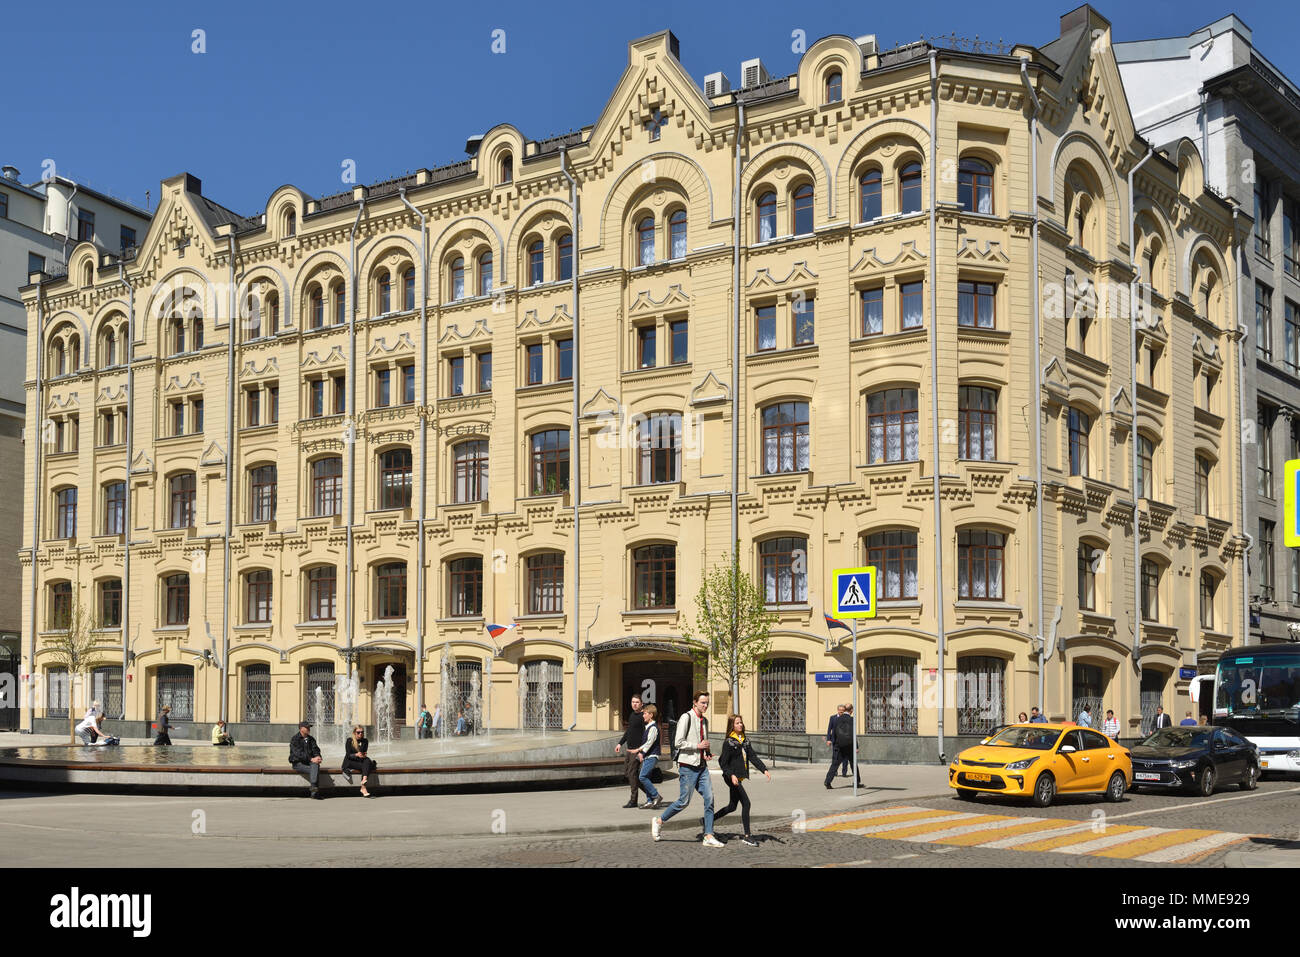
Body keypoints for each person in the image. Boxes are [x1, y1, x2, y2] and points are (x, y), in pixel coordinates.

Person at [651, 691, 722, 847]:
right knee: (684, 801)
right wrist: (697, 746)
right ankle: (659, 820)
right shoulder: (686, 717)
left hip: (701, 766)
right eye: (703, 702)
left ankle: (708, 835)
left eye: (707, 702)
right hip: (687, 766)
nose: (706, 705)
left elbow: (703, 742)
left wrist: (706, 753)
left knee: (709, 799)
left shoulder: (705, 721)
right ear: (695, 702)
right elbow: (678, 742)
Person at [715, 714, 771, 847]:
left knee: (732, 807)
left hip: (738, 777)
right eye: (737, 723)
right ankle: (747, 836)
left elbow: (752, 756)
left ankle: (707, 820)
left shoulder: (745, 740)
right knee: (746, 803)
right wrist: (731, 775)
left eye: (741, 722)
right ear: (732, 726)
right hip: (731, 778)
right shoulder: (729, 742)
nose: (740, 725)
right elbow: (723, 763)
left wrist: (764, 769)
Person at [614, 694, 647, 808]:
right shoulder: (632, 715)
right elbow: (628, 732)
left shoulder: (643, 716)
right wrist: (620, 743)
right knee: (629, 774)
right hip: (629, 750)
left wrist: (641, 752)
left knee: (632, 774)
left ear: (642, 703)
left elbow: (645, 736)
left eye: (637, 702)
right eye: (633, 702)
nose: (634, 704)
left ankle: (633, 801)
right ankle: (652, 793)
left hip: (636, 751)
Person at [826, 703, 862, 788]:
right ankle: (857, 782)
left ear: (845, 709)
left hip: (839, 745)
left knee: (835, 764)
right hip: (849, 746)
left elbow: (834, 732)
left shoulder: (837, 719)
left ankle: (827, 781)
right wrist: (856, 746)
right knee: (853, 764)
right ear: (851, 710)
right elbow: (853, 734)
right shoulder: (852, 719)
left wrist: (834, 744)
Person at [636, 704, 663, 809]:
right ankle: (649, 801)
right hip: (648, 756)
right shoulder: (648, 726)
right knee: (646, 777)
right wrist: (638, 749)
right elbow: (646, 743)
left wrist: (641, 752)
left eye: (645, 713)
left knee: (642, 777)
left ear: (651, 715)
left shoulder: (653, 728)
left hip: (652, 756)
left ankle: (656, 795)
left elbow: (650, 742)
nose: (643, 716)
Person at [289, 720, 324, 799]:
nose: (309, 729)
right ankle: (315, 792)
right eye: (307, 727)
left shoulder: (311, 739)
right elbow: (298, 754)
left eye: (309, 727)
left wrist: (318, 757)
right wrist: (311, 759)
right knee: (315, 768)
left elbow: (316, 750)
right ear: (301, 728)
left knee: (315, 765)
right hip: (298, 764)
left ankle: (314, 792)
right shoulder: (295, 739)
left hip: (309, 762)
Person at [342, 725, 375, 798]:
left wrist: (362, 755)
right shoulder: (349, 740)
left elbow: (363, 752)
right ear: (354, 733)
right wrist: (356, 754)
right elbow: (348, 755)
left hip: (360, 761)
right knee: (368, 763)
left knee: (367, 760)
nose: (360, 734)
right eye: (358, 732)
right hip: (350, 762)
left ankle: (363, 783)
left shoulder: (365, 741)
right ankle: (363, 786)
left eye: (362, 732)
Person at [825, 704, 849, 777]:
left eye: (843, 711)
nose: (841, 712)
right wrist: (828, 739)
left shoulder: (847, 718)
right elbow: (829, 729)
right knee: (835, 757)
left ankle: (844, 772)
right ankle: (834, 771)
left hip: (844, 741)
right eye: (840, 711)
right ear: (838, 710)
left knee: (845, 757)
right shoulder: (833, 718)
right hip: (835, 741)